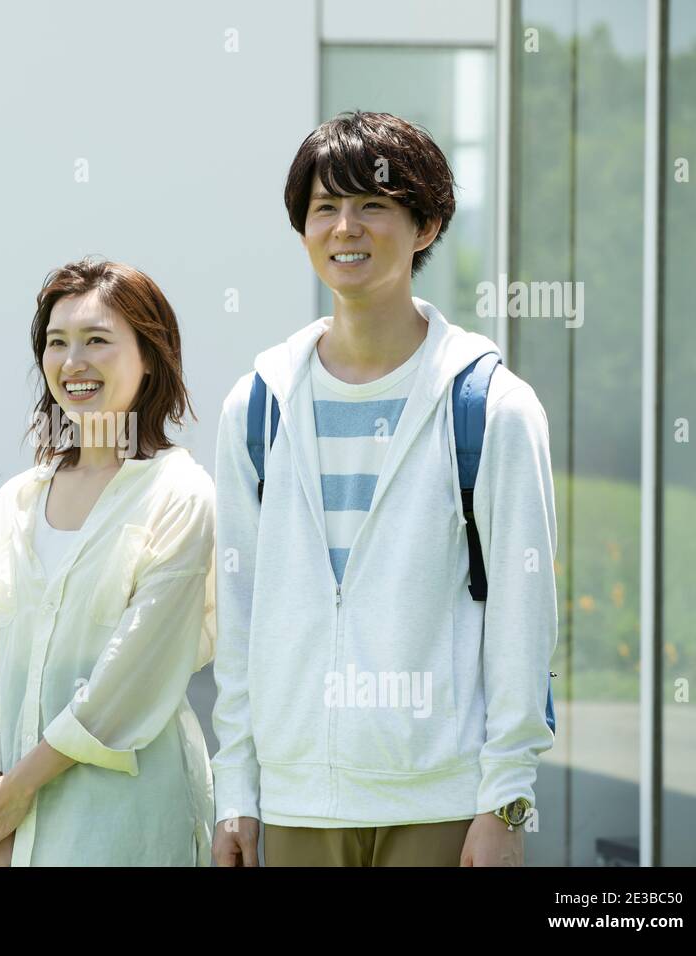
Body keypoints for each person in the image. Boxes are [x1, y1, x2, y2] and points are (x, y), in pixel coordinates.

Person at [211, 111, 558, 867]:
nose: (346, 227)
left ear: (426, 223)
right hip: (298, 802)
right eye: (324, 209)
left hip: (443, 800)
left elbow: (523, 620)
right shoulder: (258, 407)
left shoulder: (491, 407)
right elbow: (238, 615)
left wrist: (507, 801)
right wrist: (233, 787)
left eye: (372, 205)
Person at [0, 258, 216, 866]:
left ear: (150, 356)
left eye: (97, 341)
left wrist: (21, 787)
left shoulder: (179, 493)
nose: (74, 362)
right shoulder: (19, 498)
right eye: (57, 343)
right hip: (5, 817)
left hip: (124, 815)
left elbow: (134, 674)